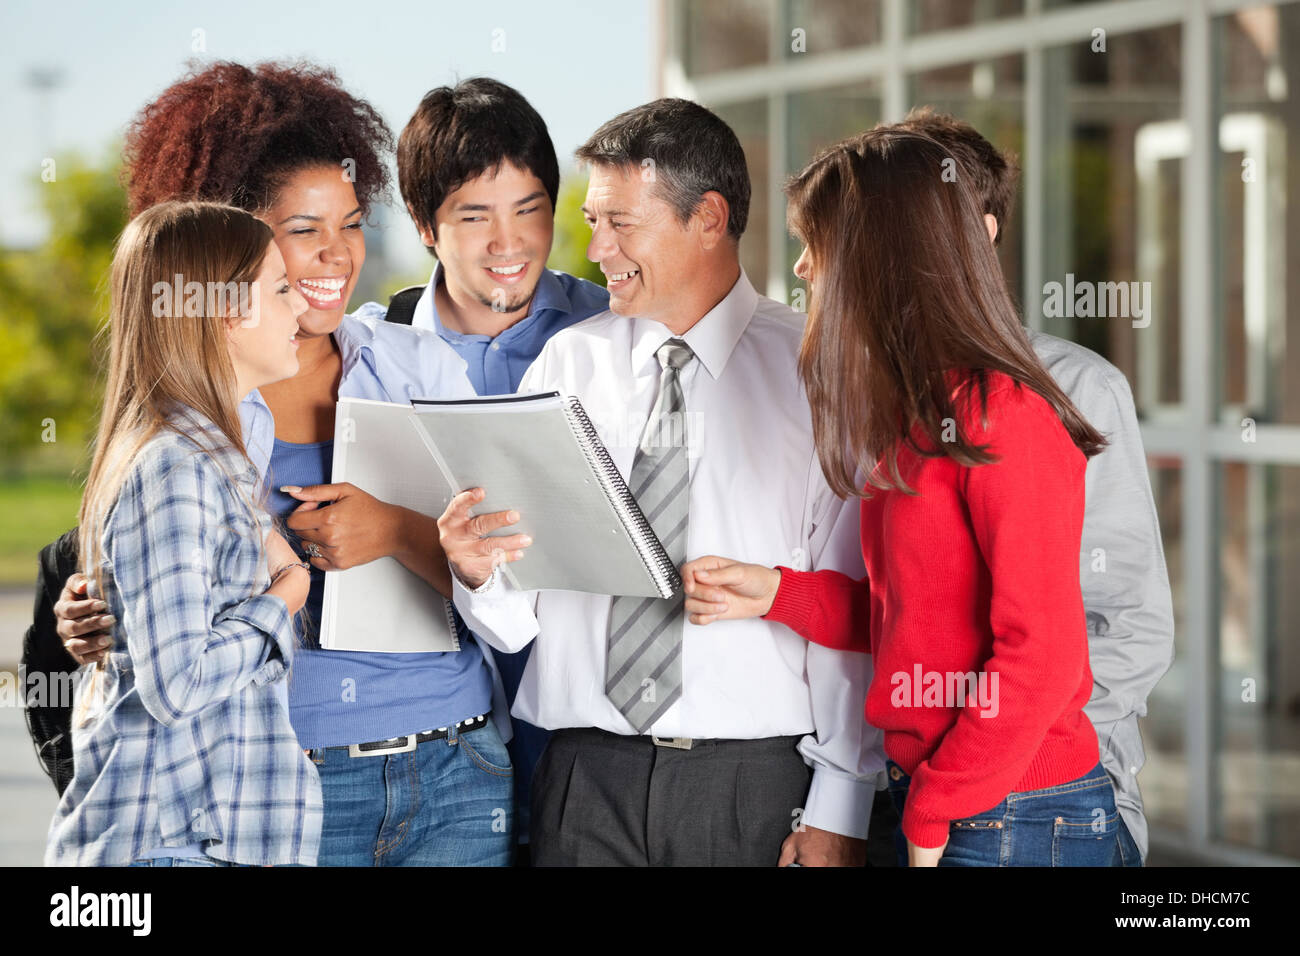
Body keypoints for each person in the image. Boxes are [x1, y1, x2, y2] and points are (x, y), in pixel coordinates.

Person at [53, 61, 512, 866]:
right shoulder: (199, 416)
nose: (338, 255)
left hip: (456, 767)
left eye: (352, 222)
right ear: (227, 250)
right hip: (282, 784)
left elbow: (512, 587)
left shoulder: (420, 368)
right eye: (302, 232)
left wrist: (402, 532)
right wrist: (108, 612)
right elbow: (169, 624)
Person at [440, 98, 884, 867]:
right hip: (583, 782)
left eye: (619, 222)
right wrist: (478, 574)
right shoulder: (566, 367)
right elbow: (515, 621)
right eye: (591, 219)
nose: (594, 245)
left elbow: (851, 615)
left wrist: (841, 806)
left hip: (753, 785)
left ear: (708, 219)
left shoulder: (819, 375)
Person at [681, 125, 1120, 867]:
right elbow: (913, 620)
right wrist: (776, 594)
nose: (801, 265)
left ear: (881, 257)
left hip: (1011, 816)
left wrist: (933, 812)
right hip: (956, 801)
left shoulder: (1001, 415)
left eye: (817, 243)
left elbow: (1039, 658)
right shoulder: (916, 414)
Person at [893, 107, 1175, 866]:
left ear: (980, 233)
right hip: (919, 789)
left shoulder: (1071, 388)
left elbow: (1127, 622)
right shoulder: (890, 398)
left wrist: (1057, 765)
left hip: (1038, 803)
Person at [353, 78, 609, 859]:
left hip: (579, 721)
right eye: (475, 216)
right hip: (441, 730)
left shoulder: (616, 333)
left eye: (530, 209)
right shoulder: (370, 350)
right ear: (427, 228)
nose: (510, 243)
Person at [47, 200, 319, 866]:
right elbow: (179, 683)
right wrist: (283, 599)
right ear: (225, 312)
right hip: (174, 850)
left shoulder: (208, 458)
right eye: (280, 289)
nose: (300, 310)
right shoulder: (177, 466)